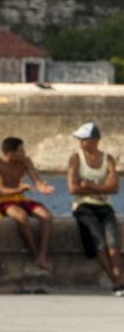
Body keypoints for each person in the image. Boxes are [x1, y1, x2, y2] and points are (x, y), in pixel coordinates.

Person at [67, 122, 123, 295]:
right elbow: (72, 188)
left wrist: (88, 185)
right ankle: (117, 281)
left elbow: (114, 188)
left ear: (95, 140)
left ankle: (118, 282)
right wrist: (101, 187)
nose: (81, 143)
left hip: (104, 206)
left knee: (113, 243)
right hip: (83, 206)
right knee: (98, 241)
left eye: (85, 139)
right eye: (80, 139)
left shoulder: (108, 159)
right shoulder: (75, 158)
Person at [0, 136, 58, 275]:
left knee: (46, 216)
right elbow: (0, 189)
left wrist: (42, 187)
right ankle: (34, 253)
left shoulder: (25, 162)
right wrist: (19, 189)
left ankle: (42, 256)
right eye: (21, 151)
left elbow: (36, 181)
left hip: (21, 198)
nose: (24, 154)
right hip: (4, 200)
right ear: (10, 153)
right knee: (21, 216)